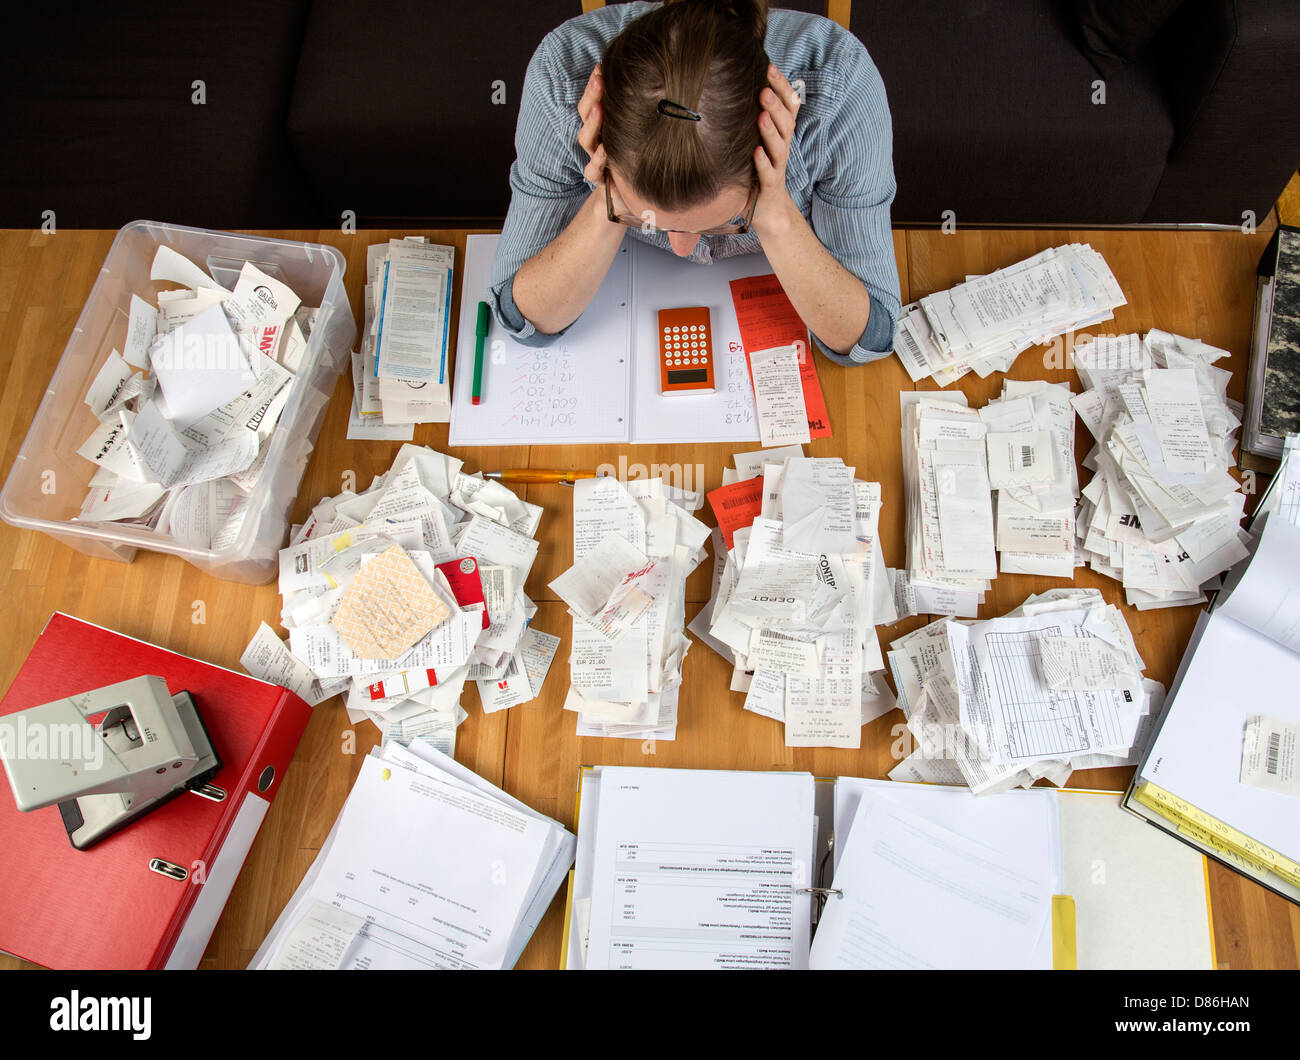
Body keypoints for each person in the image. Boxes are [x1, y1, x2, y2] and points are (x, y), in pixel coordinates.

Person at [490, 0, 899, 367]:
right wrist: (607, 201)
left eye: (726, 219)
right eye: (642, 215)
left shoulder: (840, 84)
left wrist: (774, 212)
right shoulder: (562, 74)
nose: (680, 246)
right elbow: (523, 316)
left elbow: (868, 335)